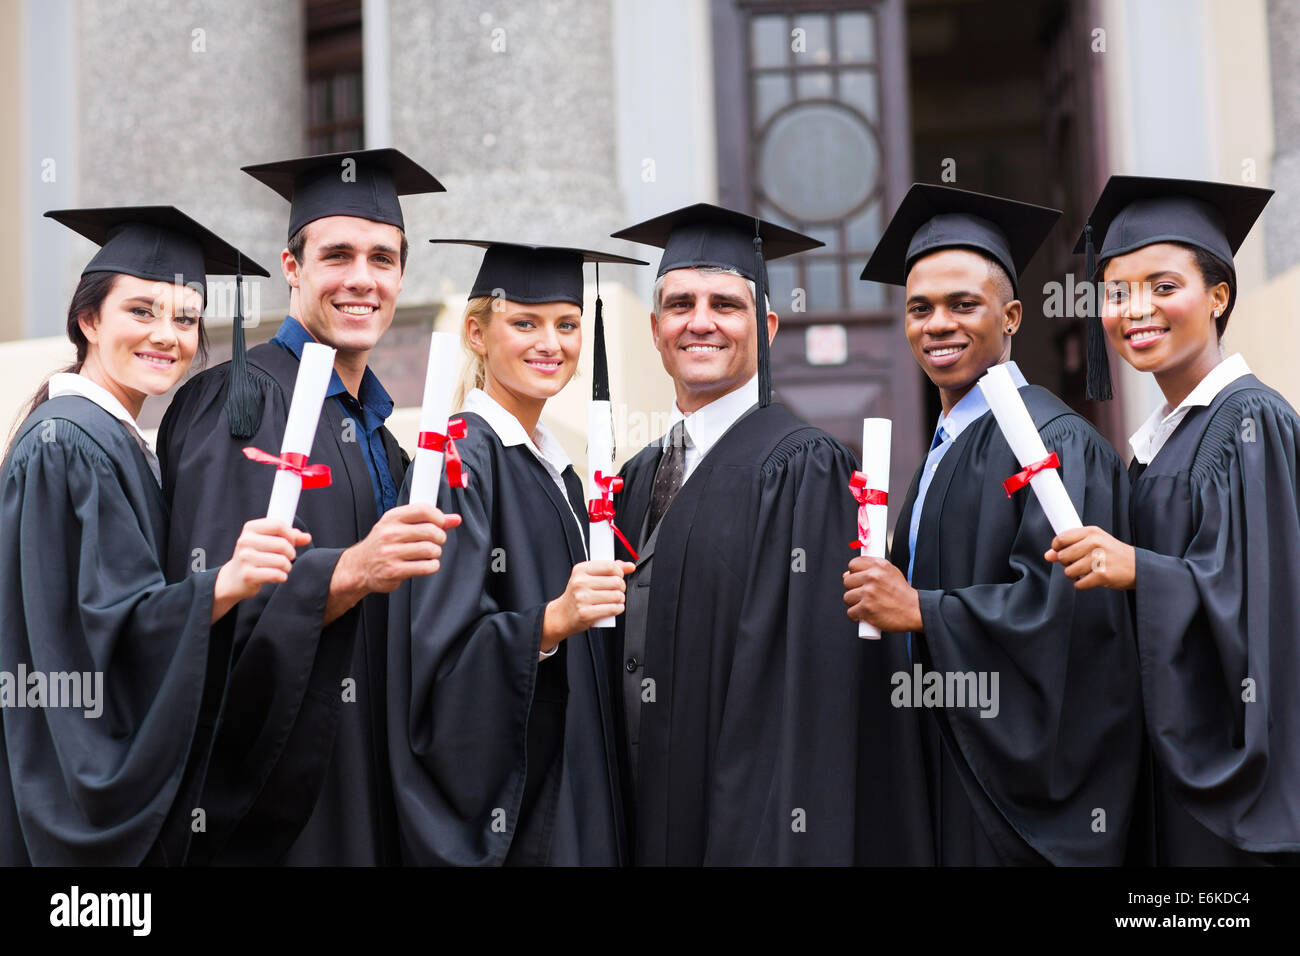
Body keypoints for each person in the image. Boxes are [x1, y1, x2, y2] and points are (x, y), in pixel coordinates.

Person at [606, 203, 931, 865]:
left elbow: (805, 702)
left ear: (768, 326)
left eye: (725, 304)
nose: (700, 322)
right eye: (679, 304)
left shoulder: (807, 471)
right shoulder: (636, 478)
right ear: (655, 329)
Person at [156, 150, 457, 865]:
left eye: (382, 259)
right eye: (338, 256)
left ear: (402, 276)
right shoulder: (240, 402)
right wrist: (349, 571)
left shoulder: (382, 435)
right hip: (287, 806)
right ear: (293, 268)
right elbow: (206, 613)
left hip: (378, 782)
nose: (362, 279)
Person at [846, 184, 1143, 865]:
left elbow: (1072, 617)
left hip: (1011, 802)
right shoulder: (944, 451)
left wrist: (920, 611)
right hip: (943, 768)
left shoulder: (1052, 445)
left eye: (963, 305)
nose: (937, 325)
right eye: (919, 309)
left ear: (1011, 315)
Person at [1, 206, 307, 865]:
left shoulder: (118, 440)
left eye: (185, 318)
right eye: (141, 311)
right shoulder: (68, 444)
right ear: (88, 320)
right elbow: (94, 635)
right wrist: (221, 585)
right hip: (64, 794)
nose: (166, 335)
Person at [1046, 175, 1300, 865]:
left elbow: (1269, 611)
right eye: (1118, 291)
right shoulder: (1159, 447)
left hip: (1233, 799)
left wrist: (1140, 570)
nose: (1137, 310)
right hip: (1166, 782)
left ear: (1218, 297)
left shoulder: (1249, 422)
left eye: (1163, 286)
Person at [388, 240, 645, 865]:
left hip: (578, 782)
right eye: (524, 323)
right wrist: (552, 621)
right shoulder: (458, 460)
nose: (549, 343)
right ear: (476, 334)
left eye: (566, 325)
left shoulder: (557, 468)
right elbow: (436, 655)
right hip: (529, 811)